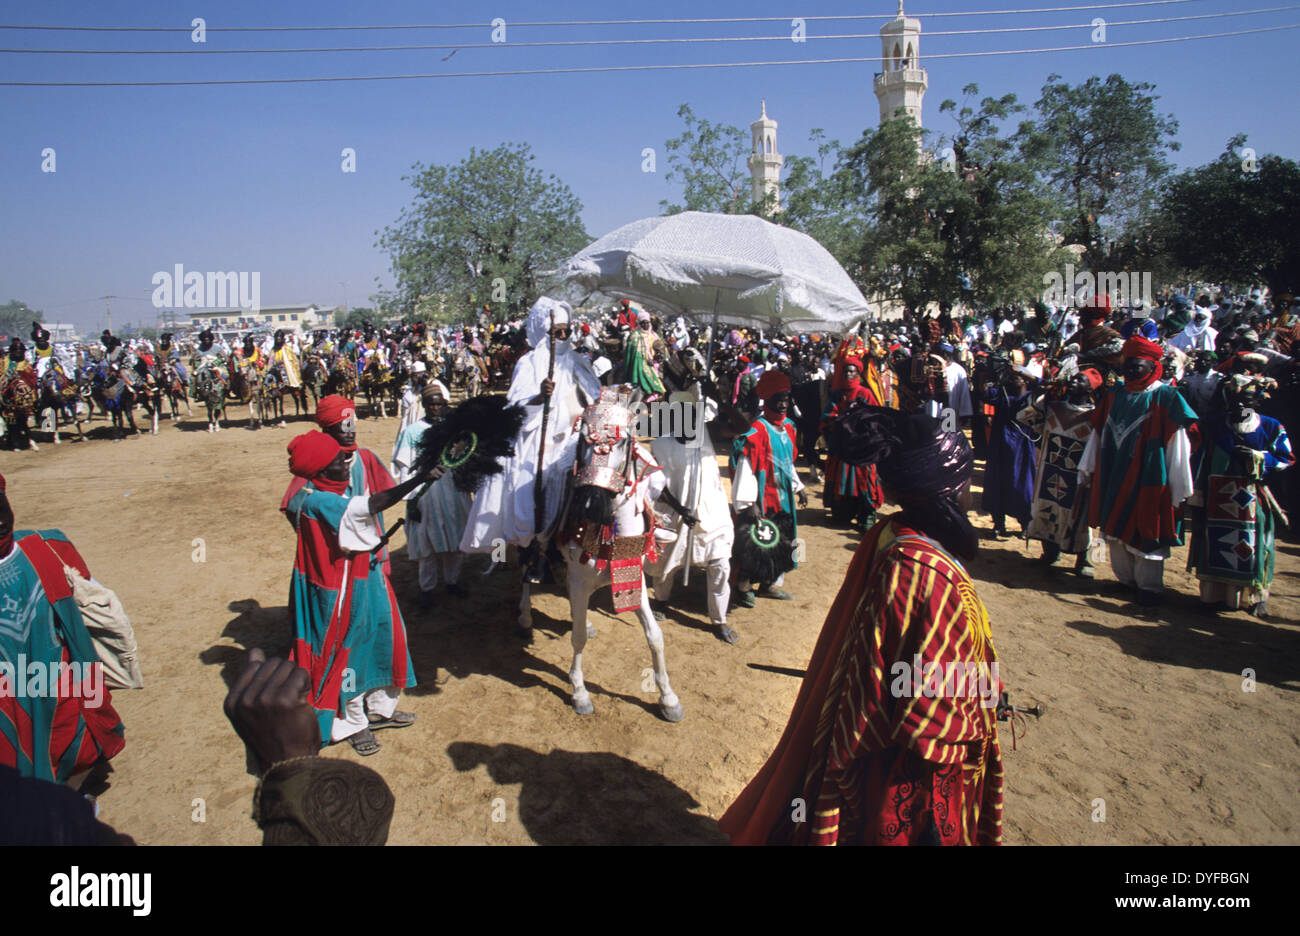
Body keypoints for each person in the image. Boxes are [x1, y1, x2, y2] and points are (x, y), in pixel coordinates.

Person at [719, 407, 1003, 845]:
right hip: (903, 764)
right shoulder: (923, 569)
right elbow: (930, 707)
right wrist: (975, 701)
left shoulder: (896, 534)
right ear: (946, 491)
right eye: (966, 483)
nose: (972, 493)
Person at [285, 430, 434, 756]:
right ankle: (354, 722)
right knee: (350, 658)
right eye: (339, 459)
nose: (346, 460)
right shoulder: (320, 501)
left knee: (387, 637)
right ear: (323, 470)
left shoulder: (316, 496)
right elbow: (374, 503)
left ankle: (381, 709)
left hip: (365, 580)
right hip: (343, 595)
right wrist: (421, 478)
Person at [0, 474, 126, 784]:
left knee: (70, 757)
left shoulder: (50, 548)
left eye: (1, 504)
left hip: (65, 693)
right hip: (19, 703)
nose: (1, 519)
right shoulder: (47, 547)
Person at [461, 297, 601, 556]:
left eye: (566, 331)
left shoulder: (578, 360)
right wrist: (538, 397)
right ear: (542, 332)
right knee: (537, 490)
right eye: (555, 332)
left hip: (576, 437)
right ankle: (536, 548)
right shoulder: (529, 363)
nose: (562, 336)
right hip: (540, 440)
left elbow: (595, 395)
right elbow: (514, 410)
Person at [1079, 335, 1198, 606]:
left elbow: (1177, 444)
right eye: (1128, 364)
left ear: (1153, 366)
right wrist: (1087, 466)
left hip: (1150, 477)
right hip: (1113, 472)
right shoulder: (1114, 395)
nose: (1131, 370)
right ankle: (1126, 580)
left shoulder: (1167, 397)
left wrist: (1179, 482)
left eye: (1138, 365)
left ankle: (1149, 588)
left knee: (1148, 526)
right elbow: (1098, 434)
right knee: (1115, 526)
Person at [1186, 375, 1293, 618]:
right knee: (1214, 542)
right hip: (1216, 496)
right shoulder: (1212, 424)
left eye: (1245, 400)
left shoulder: (1271, 426)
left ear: (1256, 402)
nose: (1239, 406)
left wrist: (1259, 457)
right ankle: (1213, 596)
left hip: (1253, 499)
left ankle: (1255, 597)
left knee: (1256, 545)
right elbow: (1197, 455)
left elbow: (1286, 459)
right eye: (1234, 400)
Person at [649, 386, 736, 643]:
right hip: (674, 515)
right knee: (664, 567)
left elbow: (741, 427)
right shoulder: (660, 444)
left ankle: (719, 620)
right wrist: (680, 509)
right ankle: (661, 602)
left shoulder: (706, 435)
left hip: (712, 516)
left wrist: (720, 397)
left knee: (720, 564)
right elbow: (656, 486)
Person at [281, 396, 397, 578]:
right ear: (327, 430)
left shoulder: (366, 458)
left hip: (368, 544)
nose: (350, 432)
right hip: (332, 553)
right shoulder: (315, 463)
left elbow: (385, 496)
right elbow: (293, 509)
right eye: (343, 427)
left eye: (351, 425)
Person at [390, 382, 471, 607]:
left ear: (444, 405)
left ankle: (452, 582)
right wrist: (412, 501)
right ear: (424, 405)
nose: (435, 408)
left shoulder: (453, 431)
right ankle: (427, 588)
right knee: (426, 546)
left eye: (439, 405)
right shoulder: (412, 432)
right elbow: (405, 470)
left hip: (454, 494)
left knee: (455, 540)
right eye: (431, 405)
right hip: (425, 496)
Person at [732, 370, 807, 606]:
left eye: (786, 399)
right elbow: (746, 467)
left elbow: (788, 462)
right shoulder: (757, 430)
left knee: (784, 541)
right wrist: (748, 503)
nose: (783, 404)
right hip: (763, 500)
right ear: (768, 400)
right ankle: (743, 587)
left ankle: (769, 584)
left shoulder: (789, 427)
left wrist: (798, 486)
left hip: (784, 499)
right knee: (758, 544)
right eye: (778, 399)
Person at [1018, 369, 1101, 575]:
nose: (1073, 381)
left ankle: (1085, 561)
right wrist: (1044, 397)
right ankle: (1050, 553)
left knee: (1079, 517)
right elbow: (1023, 417)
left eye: (1080, 380)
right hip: (1050, 471)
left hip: (1078, 475)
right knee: (1046, 509)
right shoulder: (1053, 407)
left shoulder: (1096, 416)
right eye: (1073, 378)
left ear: (1090, 388)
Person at [819, 355, 883, 528]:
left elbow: (875, 418)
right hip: (841, 446)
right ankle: (842, 513)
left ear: (858, 374)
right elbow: (827, 416)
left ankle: (866, 515)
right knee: (840, 479)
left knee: (864, 480)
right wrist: (839, 420)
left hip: (860, 447)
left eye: (852, 371)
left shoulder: (865, 393)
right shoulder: (838, 394)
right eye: (846, 371)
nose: (848, 374)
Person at [981, 370, 1037, 538]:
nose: (1014, 379)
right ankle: (999, 524)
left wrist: (1026, 375)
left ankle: (1025, 524)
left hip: (1022, 448)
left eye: (1018, 377)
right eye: (1011, 376)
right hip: (1000, 446)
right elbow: (985, 394)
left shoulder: (1031, 397)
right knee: (997, 484)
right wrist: (999, 379)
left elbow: (1044, 387)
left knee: (1022, 485)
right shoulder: (1001, 394)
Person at [623, 307, 666, 397]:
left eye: (647, 322)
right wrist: (646, 361)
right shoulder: (634, 336)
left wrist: (656, 358)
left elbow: (660, 349)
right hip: (642, 364)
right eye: (643, 323)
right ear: (639, 324)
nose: (645, 325)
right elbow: (633, 355)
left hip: (655, 363)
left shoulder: (654, 335)